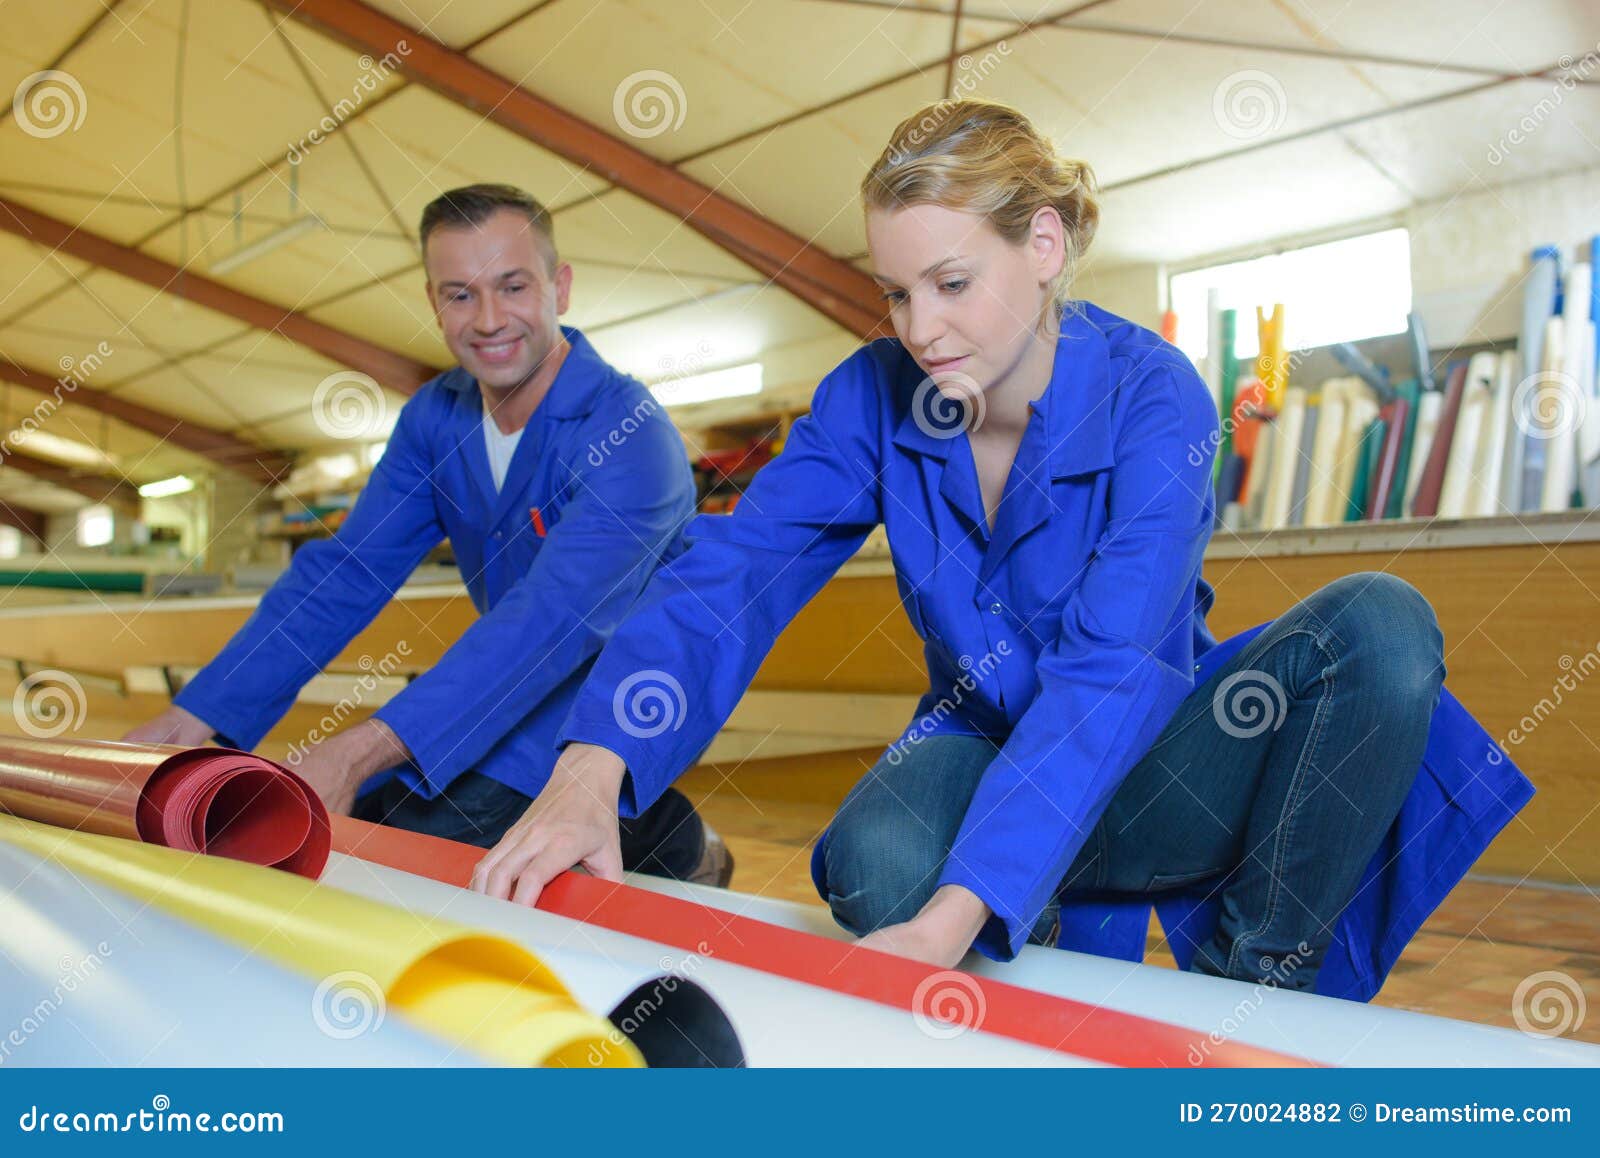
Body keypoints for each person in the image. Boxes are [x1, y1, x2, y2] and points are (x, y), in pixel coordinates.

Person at [468, 103, 1531, 997]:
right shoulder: (867, 397)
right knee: (883, 869)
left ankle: (1259, 991)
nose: (919, 328)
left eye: (950, 283)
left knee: (1380, 625)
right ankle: (1038, 930)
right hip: (976, 747)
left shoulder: (1154, 394)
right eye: (894, 292)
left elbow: (1112, 670)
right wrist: (590, 766)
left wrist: (953, 919)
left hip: (1160, 757)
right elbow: (734, 573)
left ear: (1045, 246)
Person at [125, 184, 730, 887]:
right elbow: (348, 572)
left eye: (513, 286)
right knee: (361, 815)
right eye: (460, 295)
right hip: (513, 681)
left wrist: (356, 751)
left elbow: (549, 622)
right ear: (432, 302)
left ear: (559, 287)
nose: (490, 319)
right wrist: (202, 711)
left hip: (626, 692)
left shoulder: (631, 436)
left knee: (414, 838)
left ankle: (672, 835)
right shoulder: (433, 420)